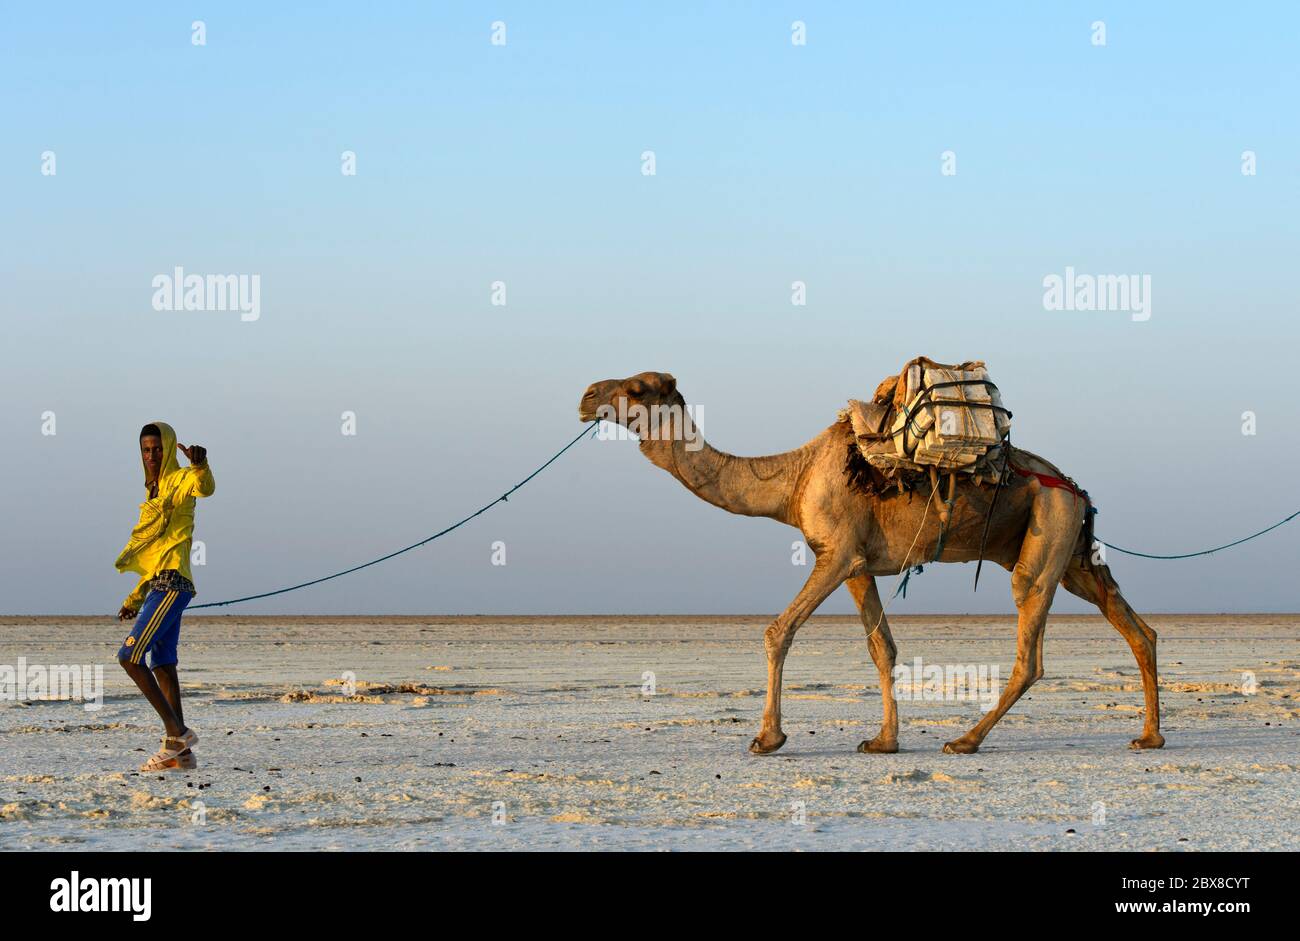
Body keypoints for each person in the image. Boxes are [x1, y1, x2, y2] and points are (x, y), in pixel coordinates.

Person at [115, 422, 214, 771]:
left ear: (169, 449)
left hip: (173, 584)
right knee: (162, 663)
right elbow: (154, 555)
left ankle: (177, 731)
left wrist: (199, 465)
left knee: (129, 657)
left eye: (158, 449)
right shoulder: (152, 492)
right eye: (146, 450)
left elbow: (205, 487)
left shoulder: (179, 480)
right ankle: (180, 754)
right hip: (161, 583)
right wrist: (134, 598)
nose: (152, 455)